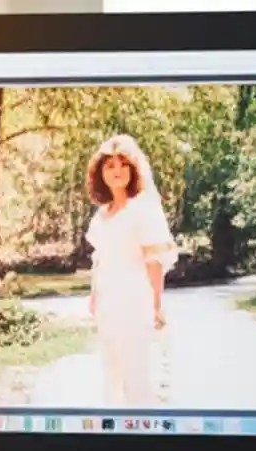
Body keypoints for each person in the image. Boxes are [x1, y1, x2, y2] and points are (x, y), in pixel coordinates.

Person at [84, 134, 178, 407]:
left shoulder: (142, 210)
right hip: (107, 303)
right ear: (100, 173)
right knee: (111, 373)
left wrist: (157, 305)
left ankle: (143, 425)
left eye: (123, 164)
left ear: (134, 169)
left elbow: (154, 261)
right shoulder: (102, 215)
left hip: (134, 301)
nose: (117, 171)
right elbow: (99, 259)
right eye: (110, 166)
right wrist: (94, 296)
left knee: (136, 375)